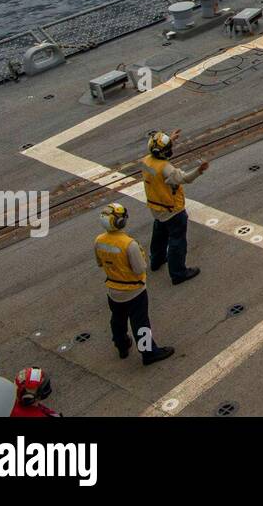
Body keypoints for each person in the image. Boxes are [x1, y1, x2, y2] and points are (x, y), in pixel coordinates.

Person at [93, 203, 174, 365]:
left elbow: (100, 264)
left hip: (113, 290)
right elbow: (140, 269)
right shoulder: (129, 244)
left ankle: (122, 345)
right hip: (134, 290)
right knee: (140, 323)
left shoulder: (99, 241)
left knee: (117, 320)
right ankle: (148, 353)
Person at [140, 130, 208, 285]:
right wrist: (199, 171)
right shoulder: (165, 168)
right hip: (172, 209)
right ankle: (178, 272)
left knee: (159, 235)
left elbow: (158, 151)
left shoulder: (146, 161)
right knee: (177, 241)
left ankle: (156, 261)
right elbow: (184, 178)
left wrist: (169, 139)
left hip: (155, 207)